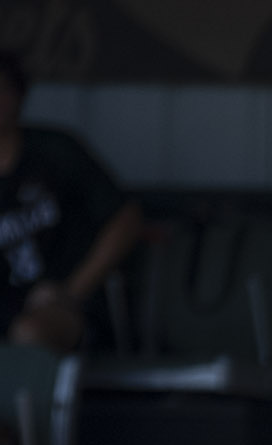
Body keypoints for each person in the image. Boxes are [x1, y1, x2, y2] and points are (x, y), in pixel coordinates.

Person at [0, 50, 141, 354]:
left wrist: (71, 290)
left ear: (17, 95)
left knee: (30, 334)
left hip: (73, 306)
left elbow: (126, 219)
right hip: (7, 305)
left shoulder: (55, 152)